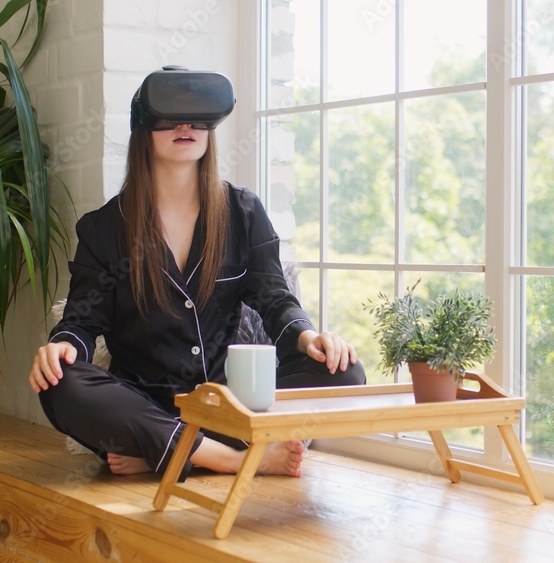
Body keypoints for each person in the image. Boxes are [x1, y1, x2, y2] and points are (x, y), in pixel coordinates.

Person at [28, 68, 365, 482]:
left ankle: (169, 453)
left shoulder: (243, 213)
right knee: (59, 383)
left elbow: (275, 298)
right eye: (170, 117)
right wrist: (62, 347)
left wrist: (311, 338)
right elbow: (81, 322)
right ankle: (233, 460)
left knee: (345, 371)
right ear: (143, 127)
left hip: (228, 405)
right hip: (144, 405)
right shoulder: (103, 229)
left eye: (198, 118)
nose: (185, 126)